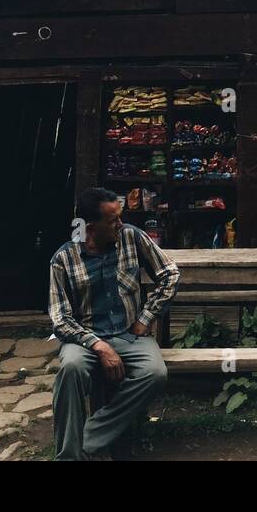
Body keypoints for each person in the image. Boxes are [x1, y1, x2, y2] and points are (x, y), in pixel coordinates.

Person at [49, 187, 181, 460]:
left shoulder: (131, 237)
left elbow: (170, 273)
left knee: (155, 373)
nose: (120, 224)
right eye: (113, 221)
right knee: (71, 368)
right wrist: (97, 345)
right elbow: (60, 318)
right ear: (90, 227)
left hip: (129, 333)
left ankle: (87, 440)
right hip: (84, 337)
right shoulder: (63, 258)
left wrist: (145, 318)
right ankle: (68, 456)